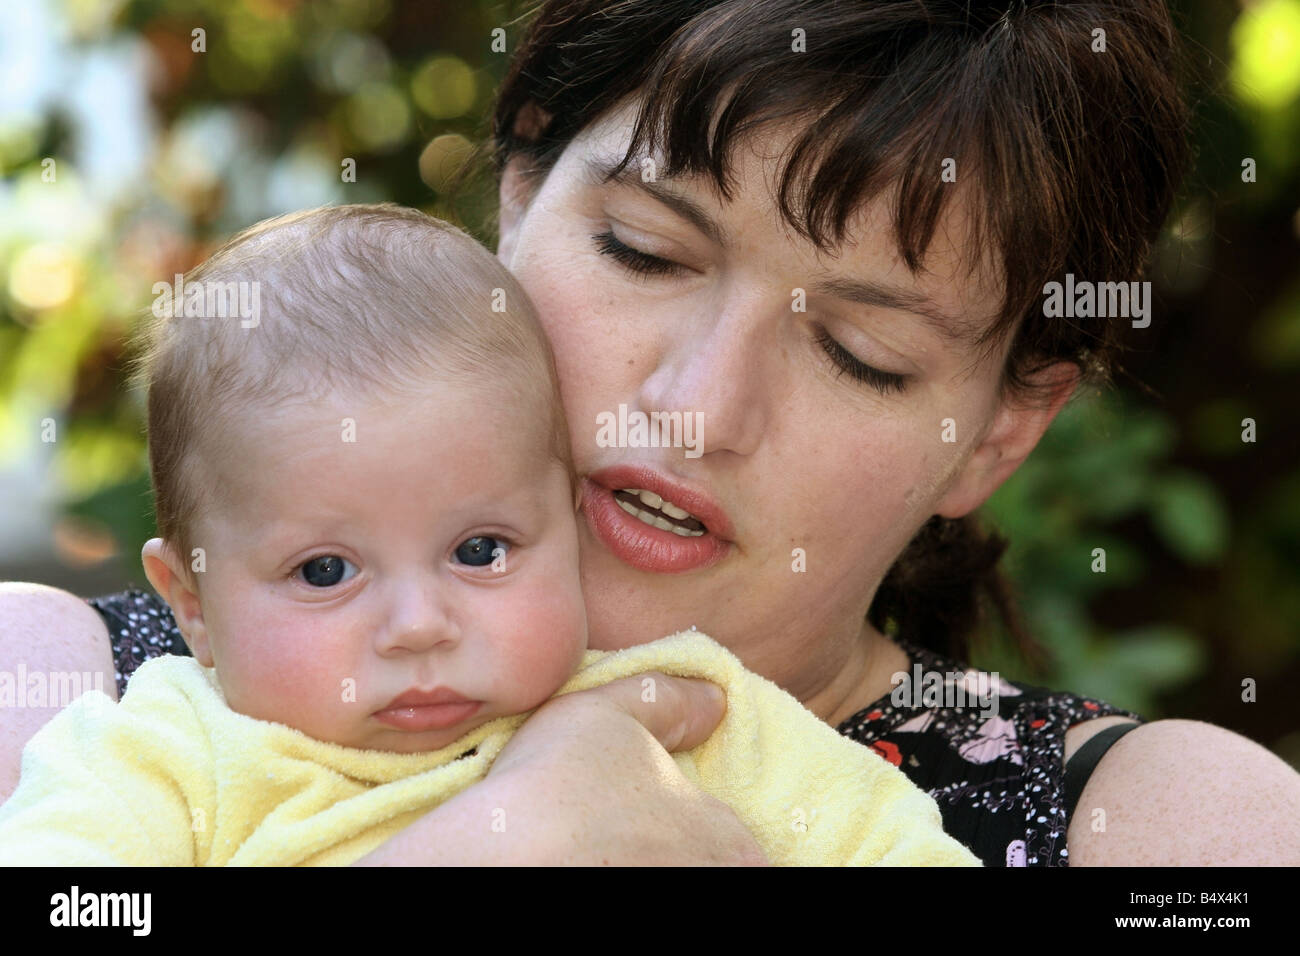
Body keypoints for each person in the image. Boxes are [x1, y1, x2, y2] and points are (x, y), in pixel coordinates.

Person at [3, 0, 1299, 866]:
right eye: (642, 251)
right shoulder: (70, 697)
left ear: (998, 435)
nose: (697, 405)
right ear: (518, 196)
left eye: (862, 352)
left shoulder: (1169, 830)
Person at [0, 204, 979, 866]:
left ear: (570, 519)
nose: (420, 625)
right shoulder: (165, 754)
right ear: (193, 605)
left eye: (480, 551)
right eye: (326, 570)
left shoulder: (676, 711)